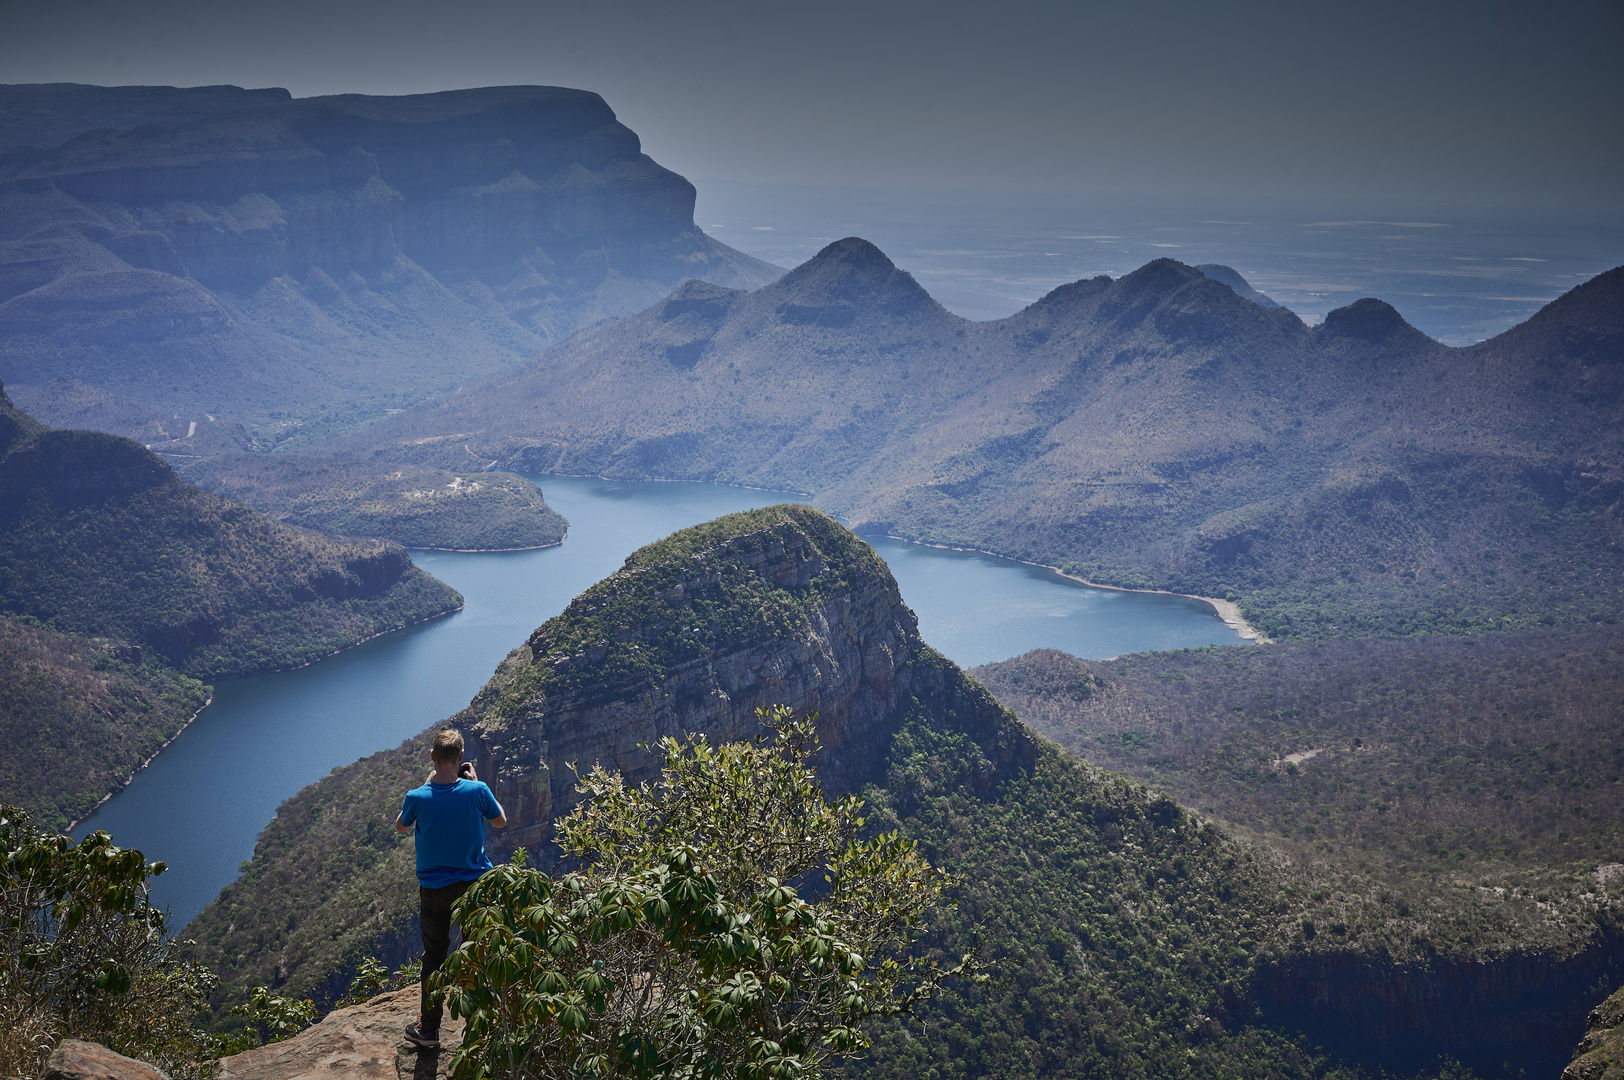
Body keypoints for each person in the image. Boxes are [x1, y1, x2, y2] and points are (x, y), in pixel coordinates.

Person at [394, 728, 506, 1049]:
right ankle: (478, 1028)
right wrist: (474, 783)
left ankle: (429, 1030)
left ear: (432, 757)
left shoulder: (417, 796)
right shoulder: (477, 790)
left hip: (434, 891)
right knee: (474, 955)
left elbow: (401, 825)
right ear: (460, 758)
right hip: (473, 888)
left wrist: (429, 785)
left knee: (434, 957)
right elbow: (500, 821)